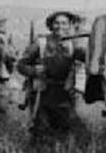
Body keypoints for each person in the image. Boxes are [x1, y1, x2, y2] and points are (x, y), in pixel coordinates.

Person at [16, 10, 87, 142]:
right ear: (51, 25)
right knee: (41, 130)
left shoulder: (74, 44)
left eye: (64, 23)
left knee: (67, 129)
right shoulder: (41, 43)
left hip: (64, 92)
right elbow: (21, 65)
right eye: (57, 23)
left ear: (69, 25)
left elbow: (86, 59)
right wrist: (34, 71)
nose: (60, 26)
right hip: (42, 92)